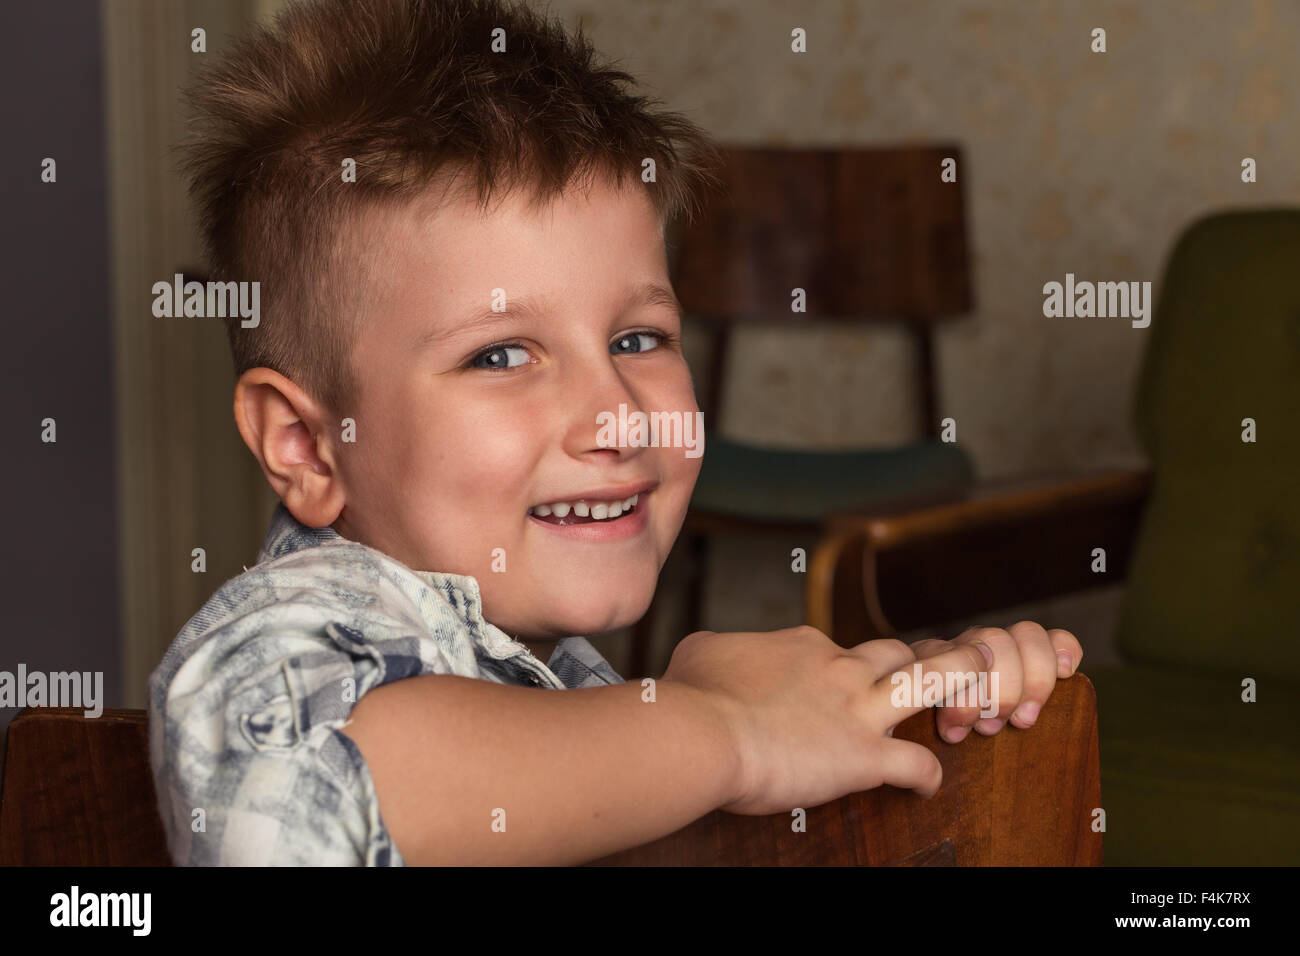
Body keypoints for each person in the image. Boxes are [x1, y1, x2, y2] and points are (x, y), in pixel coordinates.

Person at [149, 0, 1082, 865]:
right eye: (502, 355)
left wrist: (893, 707)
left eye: (639, 338)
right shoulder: (293, 635)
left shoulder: (574, 686)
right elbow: (308, 784)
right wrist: (724, 731)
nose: (622, 415)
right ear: (306, 446)